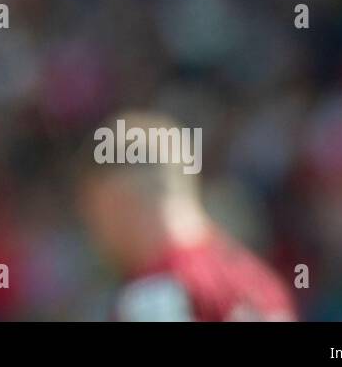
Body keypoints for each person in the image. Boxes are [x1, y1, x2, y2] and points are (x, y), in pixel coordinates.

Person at [76, 111, 297, 321]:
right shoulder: (261, 282)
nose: (95, 233)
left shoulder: (153, 294)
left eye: (94, 213)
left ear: (117, 200)